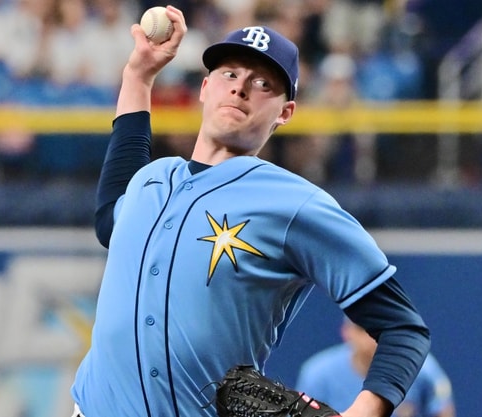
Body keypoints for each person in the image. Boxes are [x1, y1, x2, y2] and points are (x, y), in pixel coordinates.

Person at [70, 6, 430, 417]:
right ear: (205, 87)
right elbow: (110, 220)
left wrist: (364, 411)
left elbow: (403, 327)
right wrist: (138, 77)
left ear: (285, 112)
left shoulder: (294, 204)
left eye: (263, 83)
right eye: (230, 74)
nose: (240, 88)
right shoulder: (151, 181)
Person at [298, 319, 455, 417]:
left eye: (379, 329)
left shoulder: (418, 366)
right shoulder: (317, 373)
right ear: (346, 332)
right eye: (362, 329)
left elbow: (442, 411)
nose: (371, 338)